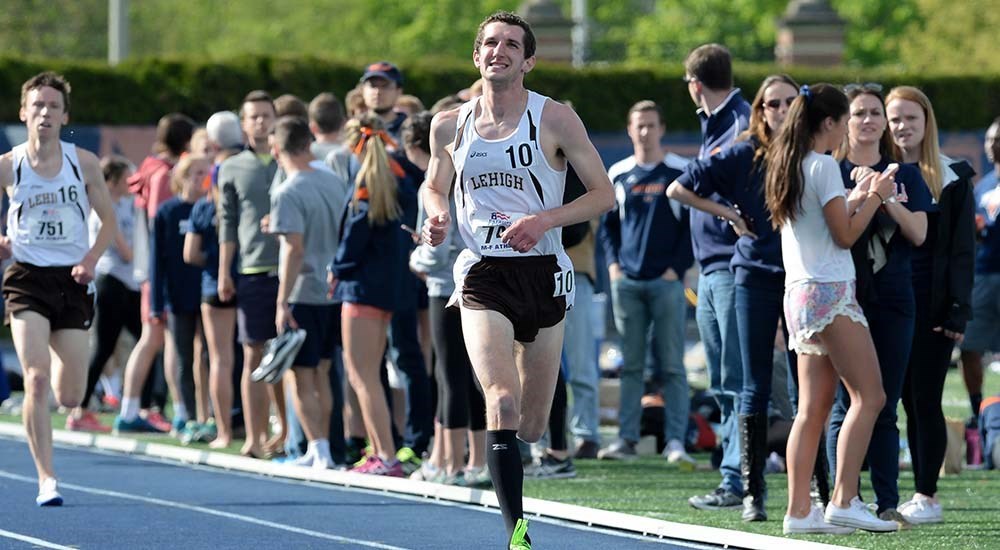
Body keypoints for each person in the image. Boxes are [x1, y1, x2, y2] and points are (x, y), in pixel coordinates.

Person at [420, 12, 614, 549]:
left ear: (527, 61)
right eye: (490, 42)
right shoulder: (449, 125)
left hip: (544, 272)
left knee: (530, 425)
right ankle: (517, 534)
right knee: (501, 402)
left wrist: (544, 221)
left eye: (511, 44)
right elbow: (433, 184)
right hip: (482, 272)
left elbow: (603, 194)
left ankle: (524, 451)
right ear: (476, 55)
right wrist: (436, 215)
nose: (498, 50)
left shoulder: (555, 118)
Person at [764, 82, 897, 534]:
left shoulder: (790, 163)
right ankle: (843, 498)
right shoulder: (822, 164)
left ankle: (799, 511)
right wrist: (877, 195)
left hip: (800, 294)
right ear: (829, 123)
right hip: (830, 290)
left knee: (812, 409)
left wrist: (858, 196)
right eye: (844, 122)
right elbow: (844, 235)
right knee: (870, 396)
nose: (846, 132)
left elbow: (822, 222)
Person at [667, 74, 800, 512]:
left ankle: (816, 486)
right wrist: (730, 213)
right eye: (772, 104)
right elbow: (679, 187)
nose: (780, 111)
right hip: (733, 271)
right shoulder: (743, 145)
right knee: (733, 382)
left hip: (784, 276)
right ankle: (739, 481)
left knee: (784, 384)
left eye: (788, 102)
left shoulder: (807, 152)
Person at [0, 71, 117, 505]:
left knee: (70, 395)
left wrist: (90, 260)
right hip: (26, 278)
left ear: (65, 115)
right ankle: (46, 478)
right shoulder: (8, 165)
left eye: (53, 106)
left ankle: (51, 348)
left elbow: (109, 222)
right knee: (35, 379)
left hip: (71, 279)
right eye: (37, 105)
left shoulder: (83, 162)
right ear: (23, 112)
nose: (45, 113)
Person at [827, 83, 931, 527]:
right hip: (844, 295)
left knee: (884, 402)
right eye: (859, 113)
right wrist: (863, 196)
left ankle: (886, 501)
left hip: (894, 296)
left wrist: (885, 196)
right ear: (845, 122)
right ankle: (841, 497)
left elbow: (919, 233)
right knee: (843, 403)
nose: (868, 120)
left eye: (875, 112)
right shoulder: (829, 170)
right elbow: (831, 232)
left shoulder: (904, 174)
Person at [886, 86, 976, 525]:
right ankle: (886, 494)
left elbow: (962, 250)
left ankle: (927, 495)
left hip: (933, 306)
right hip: (888, 303)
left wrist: (957, 309)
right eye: (895, 119)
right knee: (894, 400)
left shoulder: (953, 175)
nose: (902, 127)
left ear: (927, 122)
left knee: (925, 398)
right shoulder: (877, 173)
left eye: (911, 118)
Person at [682, 42, 759, 520]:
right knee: (723, 380)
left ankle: (738, 477)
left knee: (735, 380)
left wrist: (729, 214)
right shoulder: (721, 121)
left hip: (733, 265)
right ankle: (735, 473)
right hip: (713, 268)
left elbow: (697, 185)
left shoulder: (738, 121)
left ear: (695, 85)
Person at [598, 101, 693, 465]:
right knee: (632, 366)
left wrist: (676, 269)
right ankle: (627, 439)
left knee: (672, 365)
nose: (645, 132)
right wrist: (614, 268)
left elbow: (693, 227)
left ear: (662, 129)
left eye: (651, 125)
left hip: (667, 283)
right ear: (629, 130)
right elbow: (608, 227)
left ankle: (676, 441)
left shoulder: (679, 171)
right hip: (628, 283)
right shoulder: (619, 173)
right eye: (639, 125)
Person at [408, 111, 490, 486]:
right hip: (477, 283)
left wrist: (415, 258)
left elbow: (436, 250)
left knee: (450, 375)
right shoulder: (473, 180)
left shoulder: (438, 186)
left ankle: (454, 464)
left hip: (446, 287)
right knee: (473, 376)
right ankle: (475, 461)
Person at [333, 114, 416, 477]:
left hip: (361, 288)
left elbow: (353, 239)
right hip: (389, 288)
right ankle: (380, 450)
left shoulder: (367, 183)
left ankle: (385, 454)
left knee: (362, 375)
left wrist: (336, 269)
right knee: (369, 373)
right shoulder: (399, 179)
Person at [269, 116, 348, 469]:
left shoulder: (288, 191)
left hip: (303, 292)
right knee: (323, 372)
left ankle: (318, 449)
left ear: (277, 149)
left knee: (301, 376)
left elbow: (294, 249)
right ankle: (323, 449)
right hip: (333, 290)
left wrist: (282, 300)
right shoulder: (333, 181)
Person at [115, 112, 195, 434]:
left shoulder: (151, 169)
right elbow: (160, 227)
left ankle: (138, 407)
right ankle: (163, 410)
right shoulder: (162, 175)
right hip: (159, 271)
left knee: (157, 340)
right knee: (158, 339)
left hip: (151, 269)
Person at [217, 90, 280, 459]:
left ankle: (287, 434)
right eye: (253, 116)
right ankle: (255, 438)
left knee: (289, 357)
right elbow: (227, 223)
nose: (260, 122)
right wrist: (224, 272)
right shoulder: (231, 167)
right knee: (253, 354)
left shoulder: (289, 159)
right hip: (252, 270)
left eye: (266, 115)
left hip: (292, 270)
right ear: (243, 123)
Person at [184, 110, 244, 448]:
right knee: (253, 355)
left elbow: (190, 253)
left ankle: (223, 430)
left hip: (215, 284)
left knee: (220, 358)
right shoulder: (249, 189)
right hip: (247, 276)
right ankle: (258, 427)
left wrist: (215, 264)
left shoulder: (204, 208)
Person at [67, 155, 139, 433]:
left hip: (126, 283)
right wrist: (139, 257)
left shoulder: (126, 205)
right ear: (113, 181)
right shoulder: (105, 209)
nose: (130, 184)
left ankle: (141, 404)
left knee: (139, 341)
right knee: (106, 347)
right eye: (126, 179)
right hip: (112, 281)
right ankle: (81, 408)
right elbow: (125, 250)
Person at [150, 154, 210, 440]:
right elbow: (156, 260)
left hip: (207, 294)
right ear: (183, 177)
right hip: (177, 295)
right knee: (183, 357)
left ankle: (209, 413)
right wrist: (156, 304)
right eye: (197, 173)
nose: (202, 178)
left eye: (205, 173)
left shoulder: (210, 208)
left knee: (207, 356)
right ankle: (186, 413)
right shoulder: (168, 211)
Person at [958, 117, 1000, 451]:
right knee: (970, 347)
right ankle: (977, 411)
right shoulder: (984, 184)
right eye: (988, 139)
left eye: (997, 138)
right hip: (982, 275)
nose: (992, 144)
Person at [360, 61, 408, 145]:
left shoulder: (409, 130)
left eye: (385, 86)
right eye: (372, 85)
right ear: (362, 90)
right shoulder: (353, 129)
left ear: (399, 91)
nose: (378, 92)